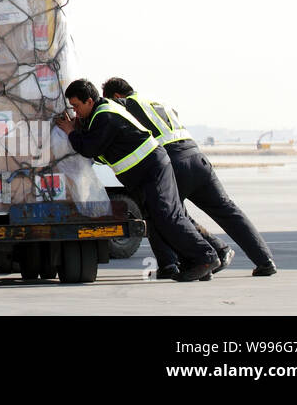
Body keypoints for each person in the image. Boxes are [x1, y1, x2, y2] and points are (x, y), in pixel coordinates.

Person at [103, 77, 277, 277]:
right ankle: (265, 260)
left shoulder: (124, 105)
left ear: (116, 96)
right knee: (227, 211)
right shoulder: (156, 101)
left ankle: (174, 265)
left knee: (163, 215)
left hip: (172, 162)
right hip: (197, 157)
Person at [56, 78, 218, 282]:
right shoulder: (98, 115)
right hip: (143, 173)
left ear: (89, 101)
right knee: (155, 218)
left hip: (152, 169)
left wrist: (71, 132)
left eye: (77, 106)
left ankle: (206, 257)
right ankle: (182, 264)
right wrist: (79, 128)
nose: (75, 112)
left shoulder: (105, 115)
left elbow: (90, 149)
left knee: (168, 215)